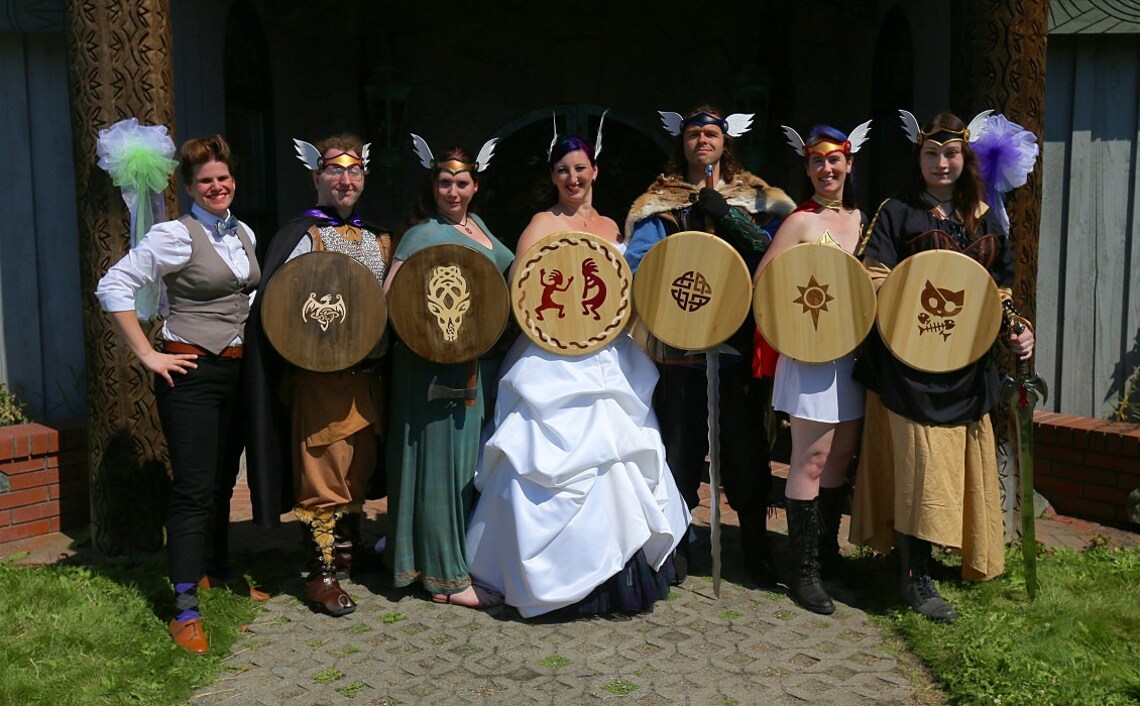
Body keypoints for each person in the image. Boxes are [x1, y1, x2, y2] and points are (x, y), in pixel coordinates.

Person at [465, 128, 692, 618]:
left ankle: (622, 568)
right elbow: (521, 290)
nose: (573, 178)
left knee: (620, 452)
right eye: (563, 170)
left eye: (580, 168)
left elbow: (628, 290)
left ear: (594, 172)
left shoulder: (613, 226)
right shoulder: (540, 224)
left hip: (609, 356)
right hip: (552, 359)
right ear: (553, 177)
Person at [850, 111, 1035, 622]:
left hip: (966, 367)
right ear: (920, 158)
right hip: (908, 367)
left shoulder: (987, 215)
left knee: (953, 466)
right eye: (931, 154)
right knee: (919, 467)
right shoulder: (897, 212)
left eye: (951, 154)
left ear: (965, 158)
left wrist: (1016, 328)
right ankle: (915, 575)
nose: (941, 163)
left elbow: (1000, 290)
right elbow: (872, 277)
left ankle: (947, 553)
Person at [96, 135, 264, 654]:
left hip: (238, 372)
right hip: (191, 373)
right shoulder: (174, 235)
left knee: (222, 479)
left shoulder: (245, 232)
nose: (217, 186)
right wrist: (149, 354)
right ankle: (184, 608)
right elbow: (113, 285)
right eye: (205, 180)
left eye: (223, 177)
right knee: (193, 488)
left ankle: (216, 568)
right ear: (189, 187)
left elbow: (246, 296)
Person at [625, 106, 795, 586]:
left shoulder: (756, 198)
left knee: (745, 451)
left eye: (711, 133)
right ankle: (679, 546)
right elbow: (639, 266)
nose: (703, 140)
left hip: (736, 346)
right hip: (680, 347)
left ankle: (756, 546)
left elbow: (772, 252)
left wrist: (727, 217)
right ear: (682, 143)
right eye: (694, 134)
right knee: (680, 451)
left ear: (725, 140)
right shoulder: (662, 202)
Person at [245, 133, 392, 617]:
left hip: (367, 377)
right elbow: (279, 306)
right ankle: (320, 573)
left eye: (354, 171)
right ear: (317, 177)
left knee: (356, 468)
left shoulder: (377, 238)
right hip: (319, 377)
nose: (345, 180)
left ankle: (347, 553)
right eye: (335, 170)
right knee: (322, 472)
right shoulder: (303, 235)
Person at [384, 139, 513, 609]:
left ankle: (443, 562)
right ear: (433, 186)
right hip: (432, 367)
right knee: (440, 467)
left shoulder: (477, 226)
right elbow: (392, 300)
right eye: (444, 183)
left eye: (461, 183)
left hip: (473, 361)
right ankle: (446, 578)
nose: (452, 192)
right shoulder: (421, 235)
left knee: (462, 468)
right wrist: (435, 342)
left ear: (475, 185)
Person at [753, 122, 871, 614]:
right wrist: (797, 333)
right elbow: (765, 284)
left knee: (840, 459)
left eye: (834, 160)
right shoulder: (800, 223)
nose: (827, 169)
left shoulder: (864, 219)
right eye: (817, 162)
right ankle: (803, 572)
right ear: (807, 168)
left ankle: (827, 556)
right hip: (811, 356)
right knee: (812, 459)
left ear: (848, 163)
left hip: (854, 355)